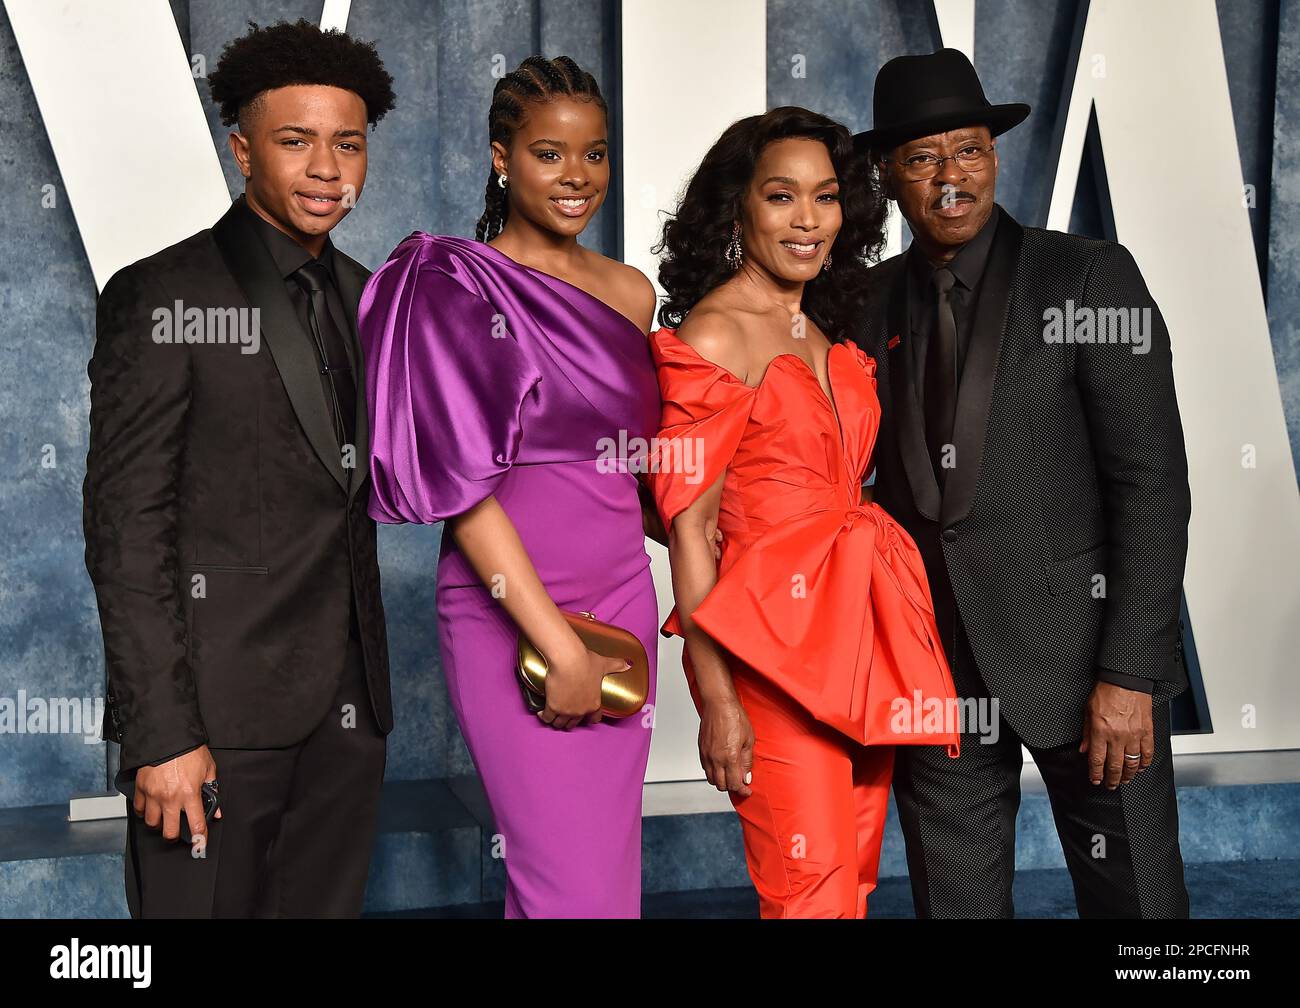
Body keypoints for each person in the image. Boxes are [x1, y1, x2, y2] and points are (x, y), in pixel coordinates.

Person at [855, 48, 1192, 918]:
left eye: (968, 150)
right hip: (933, 669)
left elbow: (1151, 482)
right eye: (923, 159)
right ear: (890, 176)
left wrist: (1131, 674)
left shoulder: (1084, 276)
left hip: (1089, 670)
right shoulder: (858, 302)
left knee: (1139, 910)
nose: (950, 178)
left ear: (995, 156)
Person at [83, 20, 396, 917]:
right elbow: (124, 528)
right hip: (209, 723)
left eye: (348, 143)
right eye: (295, 142)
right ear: (241, 150)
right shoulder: (162, 294)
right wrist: (161, 735)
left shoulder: (369, 297)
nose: (327, 169)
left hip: (349, 719)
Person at [359, 56, 660, 919]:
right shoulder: (451, 282)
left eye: (595, 154)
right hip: (508, 603)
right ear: (502, 158)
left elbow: (631, 465)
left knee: (600, 877)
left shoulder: (631, 292)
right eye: (549, 154)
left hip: (622, 598)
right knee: (568, 886)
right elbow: (462, 488)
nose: (578, 178)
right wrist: (553, 641)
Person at [649, 106, 960, 919]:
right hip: (772, 662)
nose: (807, 220)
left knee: (850, 882)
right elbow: (689, 529)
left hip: (856, 643)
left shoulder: (825, 329)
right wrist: (717, 701)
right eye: (782, 196)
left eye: (824, 198)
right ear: (738, 208)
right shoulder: (714, 335)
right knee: (809, 893)